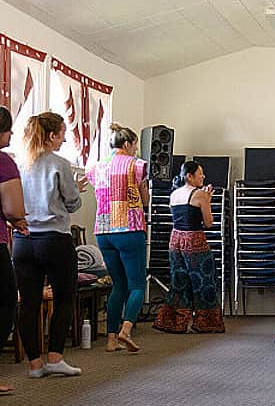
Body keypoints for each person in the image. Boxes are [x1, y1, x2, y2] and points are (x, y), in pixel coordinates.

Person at [15, 112, 86, 378]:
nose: (65, 138)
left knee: (29, 304)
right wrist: (78, 190)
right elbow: (72, 203)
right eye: (62, 133)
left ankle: (34, 365)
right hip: (54, 240)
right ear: (52, 135)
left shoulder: (19, 164)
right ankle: (55, 357)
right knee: (65, 299)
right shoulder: (59, 163)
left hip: (22, 241)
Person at [86, 123, 148, 353]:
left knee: (118, 286)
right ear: (128, 144)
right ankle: (125, 330)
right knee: (137, 285)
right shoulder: (137, 165)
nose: (135, 150)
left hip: (103, 231)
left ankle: (111, 340)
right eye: (135, 146)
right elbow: (145, 199)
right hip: (129, 228)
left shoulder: (96, 167)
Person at [153, 161, 225, 334]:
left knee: (179, 281)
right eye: (200, 173)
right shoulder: (199, 195)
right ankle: (206, 322)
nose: (204, 176)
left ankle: (173, 322)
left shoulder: (174, 194)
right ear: (189, 176)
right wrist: (208, 200)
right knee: (204, 281)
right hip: (194, 239)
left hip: (175, 239)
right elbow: (208, 223)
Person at [0, 106, 27, 393]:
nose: (11, 134)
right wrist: (19, 221)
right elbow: (13, 207)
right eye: (8, 129)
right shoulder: (4, 162)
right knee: (6, 303)